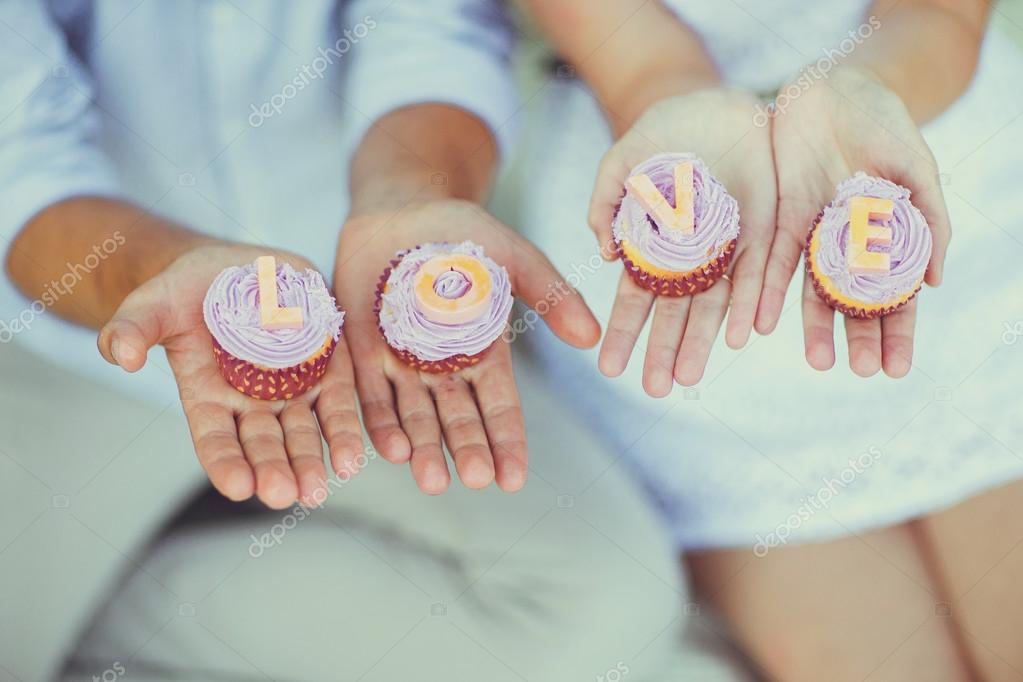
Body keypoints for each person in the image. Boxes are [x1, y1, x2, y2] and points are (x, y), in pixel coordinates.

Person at [0, 1, 751, 679]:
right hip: (62, 346)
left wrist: (408, 196)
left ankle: (106, 607)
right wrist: (157, 272)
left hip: (365, 317)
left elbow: (429, 31)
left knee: (615, 612)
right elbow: (20, 166)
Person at [519, 0, 1023, 679]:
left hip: (924, 163)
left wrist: (862, 94)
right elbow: (637, 53)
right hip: (691, 215)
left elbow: (938, 13)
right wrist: (677, 107)